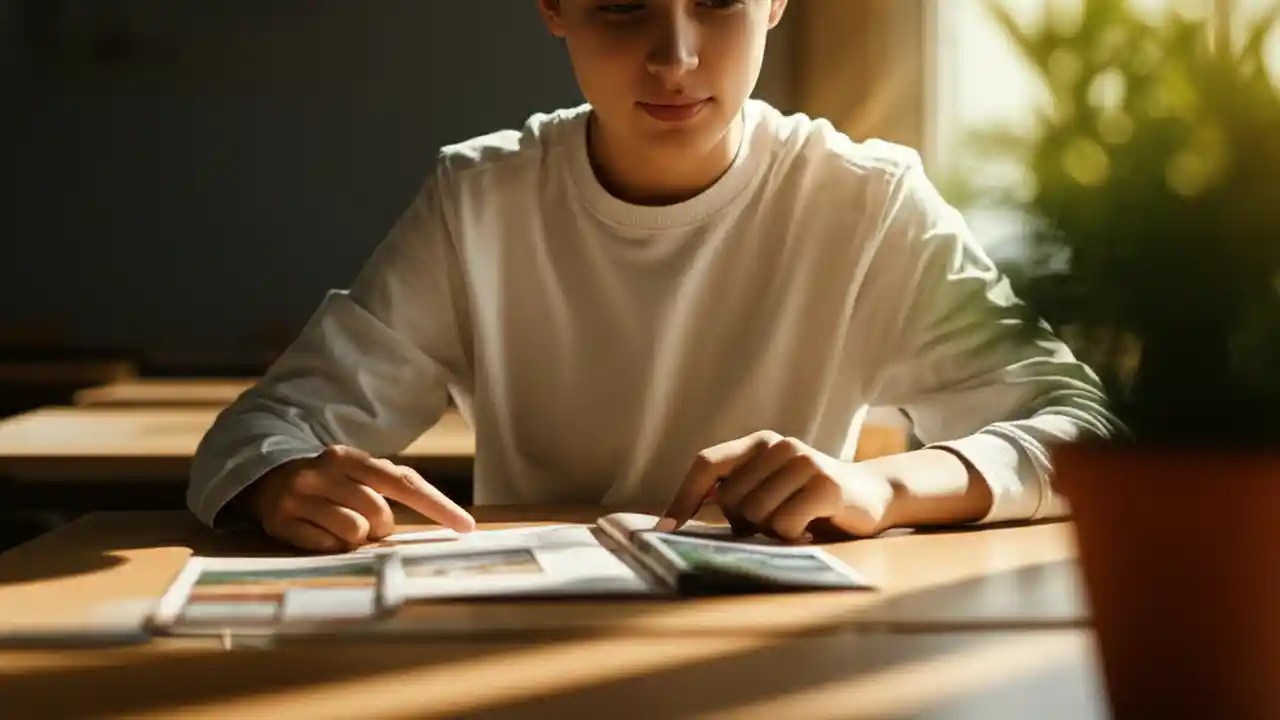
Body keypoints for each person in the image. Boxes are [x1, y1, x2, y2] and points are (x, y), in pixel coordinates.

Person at [189, 0, 1119, 553]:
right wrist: (279, 481)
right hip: (533, 647)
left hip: (781, 651)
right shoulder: (479, 201)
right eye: (622, 5)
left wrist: (877, 490)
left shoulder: (866, 202)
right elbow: (259, 434)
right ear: (554, 5)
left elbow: (1087, 427)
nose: (674, 57)